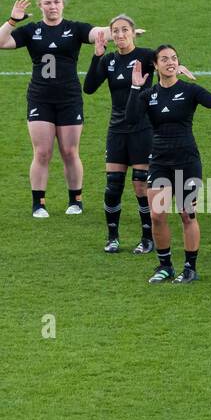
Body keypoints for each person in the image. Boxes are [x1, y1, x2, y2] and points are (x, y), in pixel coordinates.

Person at [125, 45, 211, 284]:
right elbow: (130, 119)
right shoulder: (148, 95)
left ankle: (190, 268)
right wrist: (134, 86)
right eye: (164, 59)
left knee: (187, 214)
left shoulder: (189, 90)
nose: (170, 62)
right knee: (157, 215)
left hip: (186, 161)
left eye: (173, 58)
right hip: (160, 161)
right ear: (156, 65)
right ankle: (165, 267)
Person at [0, 0, 112, 218]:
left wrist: (122, 31)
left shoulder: (74, 28)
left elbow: (99, 33)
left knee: (70, 151)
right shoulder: (31, 30)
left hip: (69, 98)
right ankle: (38, 203)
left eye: (56, 2)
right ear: (40, 6)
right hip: (40, 98)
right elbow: (1, 42)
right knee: (42, 152)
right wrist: (12, 20)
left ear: (63, 4)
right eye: (48, 3)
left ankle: (76, 201)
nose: (52, 6)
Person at [82, 15, 155, 254]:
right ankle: (112, 238)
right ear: (111, 35)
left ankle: (147, 238)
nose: (121, 35)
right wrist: (97, 55)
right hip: (117, 130)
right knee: (113, 185)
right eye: (116, 31)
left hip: (142, 129)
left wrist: (177, 67)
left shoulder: (146, 56)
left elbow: (167, 65)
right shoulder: (109, 60)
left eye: (125, 30)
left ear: (133, 32)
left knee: (140, 186)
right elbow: (89, 87)